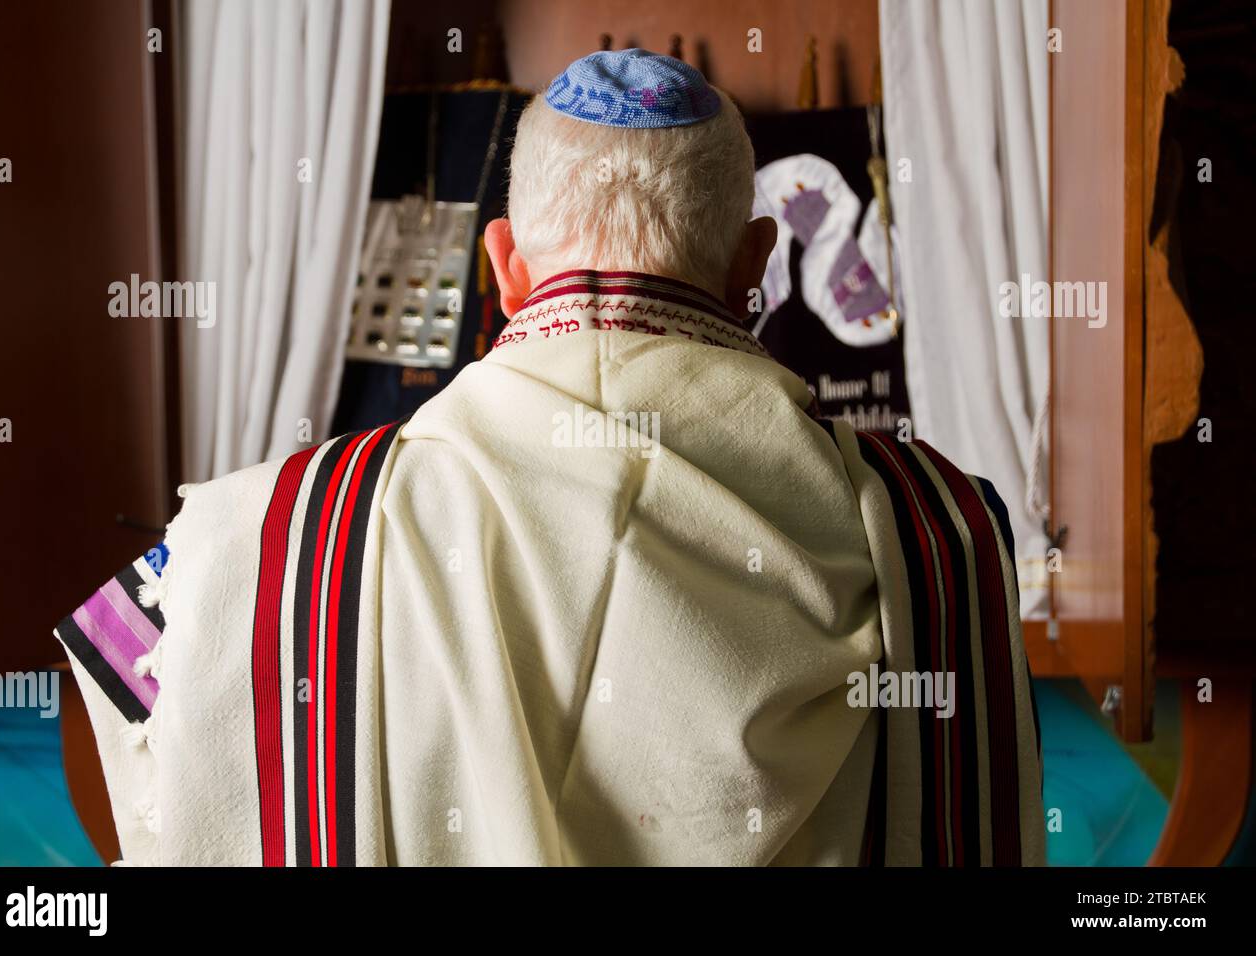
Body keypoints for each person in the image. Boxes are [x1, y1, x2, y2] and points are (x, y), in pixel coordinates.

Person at [58, 49, 1044, 866]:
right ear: (753, 264)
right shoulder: (934, 531)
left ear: (503, 265)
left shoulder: (268, 538)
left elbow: (120, 704)